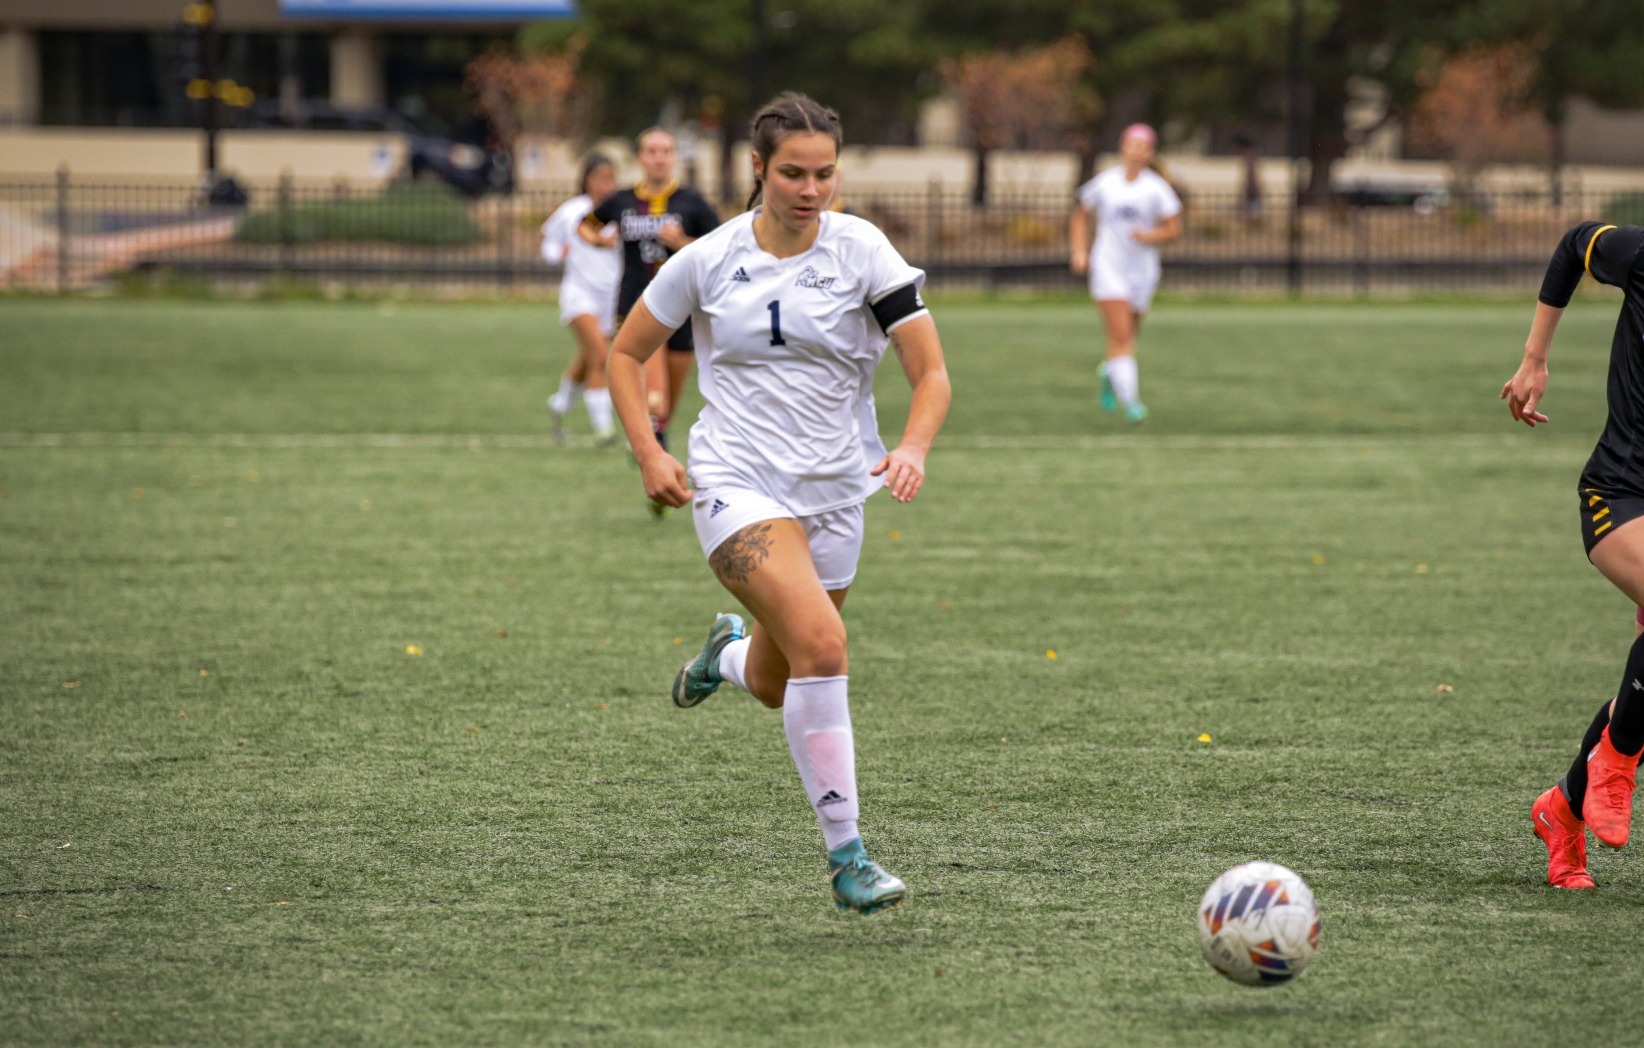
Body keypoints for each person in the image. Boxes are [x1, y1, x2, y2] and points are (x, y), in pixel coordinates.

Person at [605, 93, 952, 914]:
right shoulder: (709, 258)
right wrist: (650, 452)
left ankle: (723, 655)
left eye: (825, 172)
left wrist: (912, 447)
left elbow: (931, 373)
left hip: (836, 493)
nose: (811, 188)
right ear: (757, 169)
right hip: (734, 482)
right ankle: (850, 858)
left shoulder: (864, 251)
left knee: (774, 679)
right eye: (793, 172)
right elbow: (626, 354)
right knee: (824, 647)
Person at [1503, 220, 1644, 890]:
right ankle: (1616, 760)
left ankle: (1562, 808)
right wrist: (1535, 357)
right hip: (1620, 493)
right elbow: (1570, 246)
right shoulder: (1640, 255)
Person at [581, 127, 721, 452]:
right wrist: (599, 242)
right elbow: (586, 224)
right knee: (655, 396)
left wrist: (682, 242)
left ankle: (655, 441)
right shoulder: (622, 200)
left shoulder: (692, 202)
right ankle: (650, 443)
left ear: (673, 157)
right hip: (637, 303)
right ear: (640, 157)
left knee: (668, 401)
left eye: (666, 151)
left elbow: (719, 247)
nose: (659, 158)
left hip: (684, 307)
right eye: (652, 151)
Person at [1069, 123, 1183, 423]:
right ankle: (1132, 402)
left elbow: (1174, 229)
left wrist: (1149, 237)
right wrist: (1080, 251)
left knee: (1129, 335)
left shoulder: (1156, 188)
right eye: (1131, 145)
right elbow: (1080, 215)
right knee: (1120, 336)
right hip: (1109, 267)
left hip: (1142, 271)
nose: (1136, 152)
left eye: (1142, 147)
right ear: (1122, 148)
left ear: (1149, 153)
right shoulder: (1106, 183)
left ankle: (1110, 372)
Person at [541, 153, 621, 445]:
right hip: (579, 294)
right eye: (600, 178)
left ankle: (560, 404)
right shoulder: (573, 211)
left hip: (611, 297)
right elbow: (548, 244)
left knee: (589, 357)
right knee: (601, 356)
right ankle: (604, 428)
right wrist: (556, 254)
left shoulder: (620, 211)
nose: (605, 184)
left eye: (610, 178)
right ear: (587, 180)